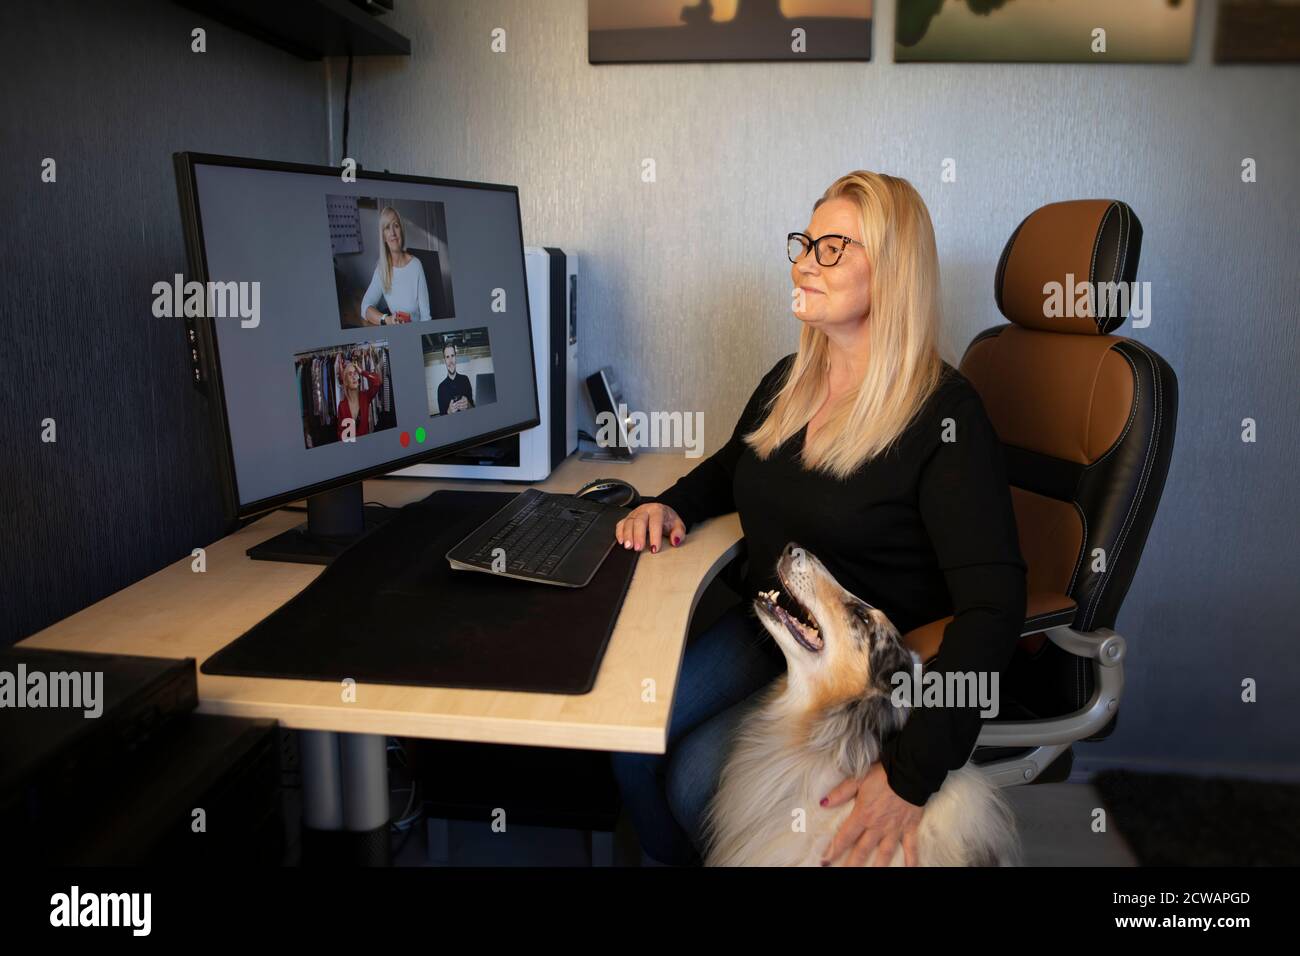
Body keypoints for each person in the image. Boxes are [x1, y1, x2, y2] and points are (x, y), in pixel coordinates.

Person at [609, 171, 1027, 867]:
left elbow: (994, 607)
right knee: (628, 735)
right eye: (807, 242)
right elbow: (731, 467)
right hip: (767, 629)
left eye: (835, 248)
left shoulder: (946, 417)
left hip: (856, 674)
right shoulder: (788, 380)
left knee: (690, 784)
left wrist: (910, 775)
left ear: (892, 272)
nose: (805, 261)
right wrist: (669, 504)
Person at [361, 206, 431, 325]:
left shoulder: (416, 266)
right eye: (387, 228)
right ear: (383, 236)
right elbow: (365, 307)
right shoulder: (382, 269)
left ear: (401, 231)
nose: (393, 233)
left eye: (396, 226)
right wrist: (386, 319)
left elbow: (426, 318)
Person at [335, 353, 384, 442]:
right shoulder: (342, 406)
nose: (354, 377)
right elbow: (341, 436)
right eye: (350, 374)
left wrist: (362, 372)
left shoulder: (365, 397)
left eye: (355, 373)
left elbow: (377, 381)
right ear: (345, 382)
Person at [436, 342, 474, 415]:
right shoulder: (441, 388)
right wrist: (449, 411)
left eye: (452, 356)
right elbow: (441, 418)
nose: (450, 361)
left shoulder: (465, 380)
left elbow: (473, 407)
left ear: (455, 358)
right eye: (447, 357)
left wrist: (468, 405)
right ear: (444, 361)